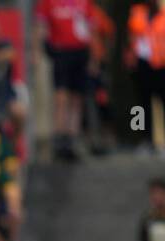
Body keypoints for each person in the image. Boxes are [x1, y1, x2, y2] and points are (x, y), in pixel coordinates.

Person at [37, 0, 95, 160]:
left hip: (81, 52)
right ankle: (59, 137)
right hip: (61, 51)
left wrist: (93, 58)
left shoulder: (84, 3)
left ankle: (72, 138)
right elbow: (41, 26)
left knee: (77, 98)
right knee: (61, 97)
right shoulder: (49, 2)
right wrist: (38, 49)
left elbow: (91, 28)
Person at [125, 0, 165, 153]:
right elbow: (130, 37)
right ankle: (144, 139)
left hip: (162, 65)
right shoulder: (136, 13)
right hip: (142, 65)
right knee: (140, 106)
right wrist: (130, 59)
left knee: (164, 103)